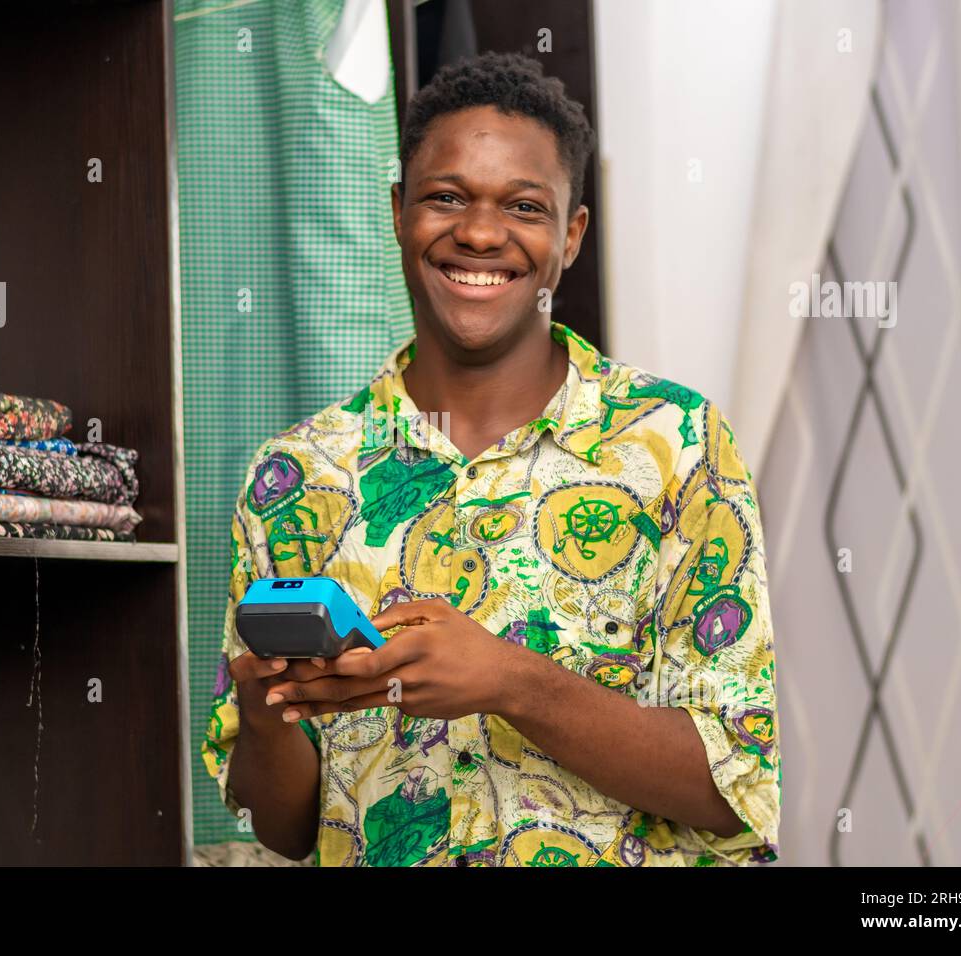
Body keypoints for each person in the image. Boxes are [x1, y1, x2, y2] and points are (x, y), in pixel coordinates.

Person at [202, 51, 780, 867]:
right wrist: (268, 714)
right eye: (446, 198)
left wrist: (510, 681)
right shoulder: (295, 475)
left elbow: (736, 787)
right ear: (400, 212)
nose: (478, 233)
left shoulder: (675, 443)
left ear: (571, 235)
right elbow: (288, 831)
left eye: (523, 206)